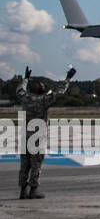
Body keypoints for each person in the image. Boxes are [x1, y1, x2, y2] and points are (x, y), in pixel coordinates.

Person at [16, 66, 74, 200]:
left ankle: (22, 191)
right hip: (37, 138)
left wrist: (25, 79)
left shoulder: (25, 98)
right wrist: (68, 79)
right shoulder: (44, 100)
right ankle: (33, 190)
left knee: (24, 165)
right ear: (42, 90)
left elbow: (19, 90)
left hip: (25, 136)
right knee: (36, 164)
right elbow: (60, 91)